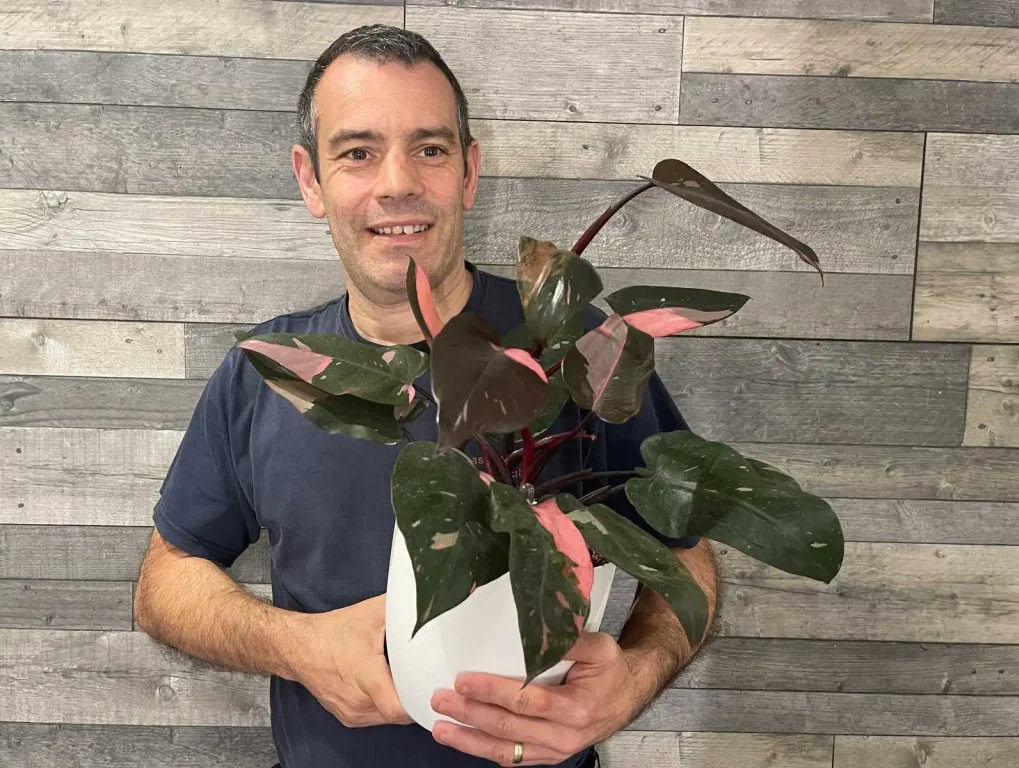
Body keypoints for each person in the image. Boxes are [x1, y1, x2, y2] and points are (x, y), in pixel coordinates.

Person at [134, 24, 718, 768]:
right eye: (357, 152)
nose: (396, 183)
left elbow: (688, 556)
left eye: (430, 149)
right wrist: (299, 647)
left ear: (469, 171)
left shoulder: (575, 347)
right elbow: (164, 581)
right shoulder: (272, 370)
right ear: (310, 180)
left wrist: (633, 674)